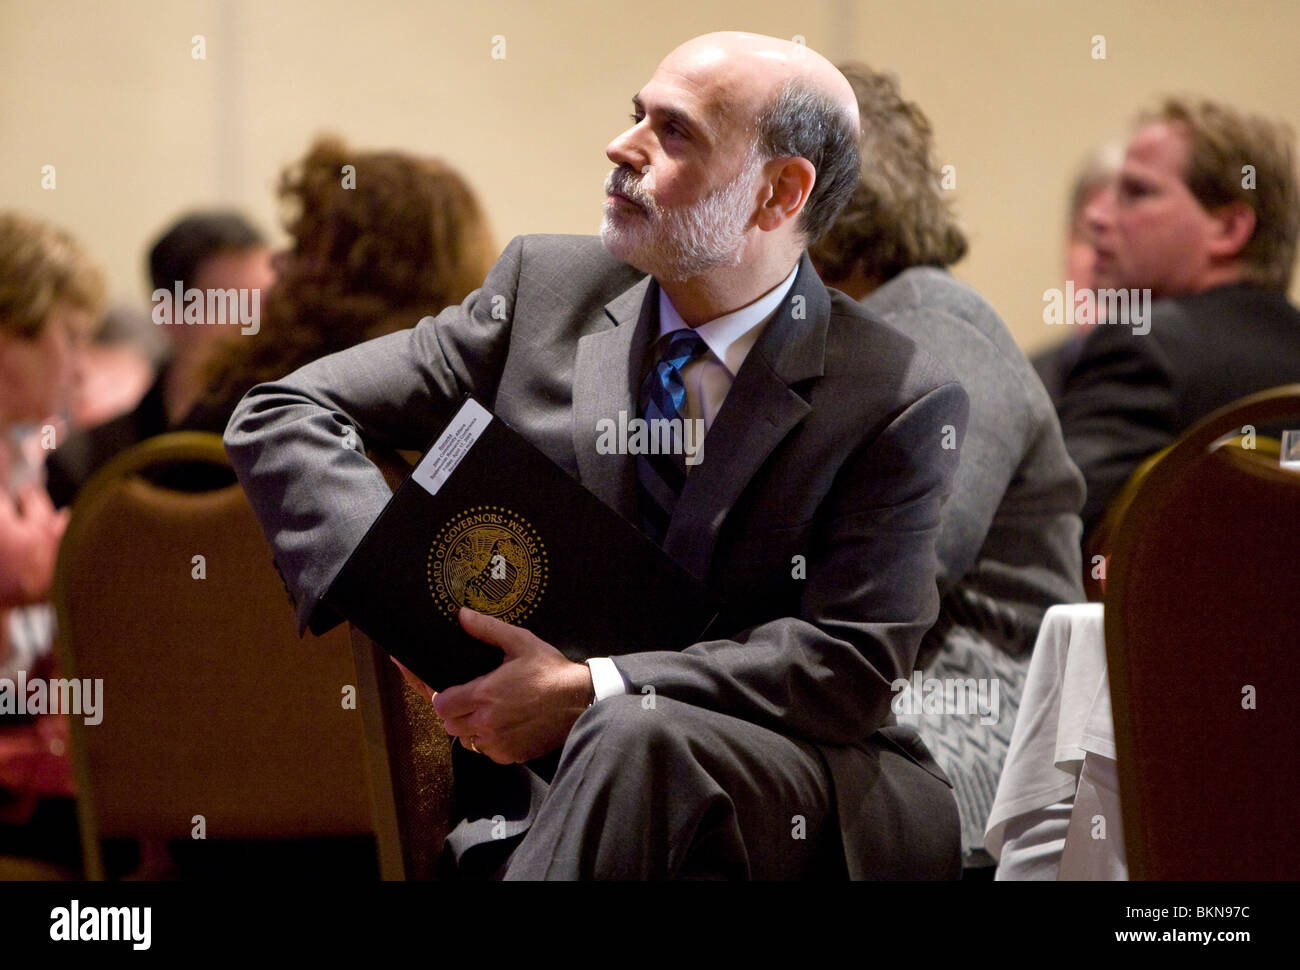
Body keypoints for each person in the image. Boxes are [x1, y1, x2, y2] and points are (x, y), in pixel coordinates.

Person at [226, 31, 969, 880]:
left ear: (778, 192)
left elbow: (849, 663)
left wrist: (592, 688)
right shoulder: (545, 290)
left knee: (633, 729)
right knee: (625, 739)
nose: (623, 146)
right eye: (635, 114)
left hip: (797, 785)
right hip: (544, 791)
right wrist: (404, 593)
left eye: (675, 131)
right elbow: (285, 409)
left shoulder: (896, 393)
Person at [810, 63, 1084, 872]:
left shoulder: (937, 324)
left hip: (973, 726)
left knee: (688, 763)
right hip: (867, 705)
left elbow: (900, 571)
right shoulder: (839, 332)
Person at [1057, 96, 1300, 542]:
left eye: (1137, 192)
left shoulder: (1143, 345)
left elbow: (1058, 541)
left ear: (1228, 229)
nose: (1096, 217)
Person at [184, 135, 494, 433]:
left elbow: (158, 478)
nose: (276, 262)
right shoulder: (482, 405)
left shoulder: (266, 397)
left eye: (302, 248)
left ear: (362, 275)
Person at [45, 211, 274, 507]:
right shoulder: (92, 461)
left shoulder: (291, 441)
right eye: (229, 305)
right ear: (169, 314)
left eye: (266, 303)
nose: (255, 324)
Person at [1030, 144, 1124, 407]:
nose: (1099, 262)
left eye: (1117, 245)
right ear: (1067, 245)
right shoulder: (1026, 380)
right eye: (1090, 239)